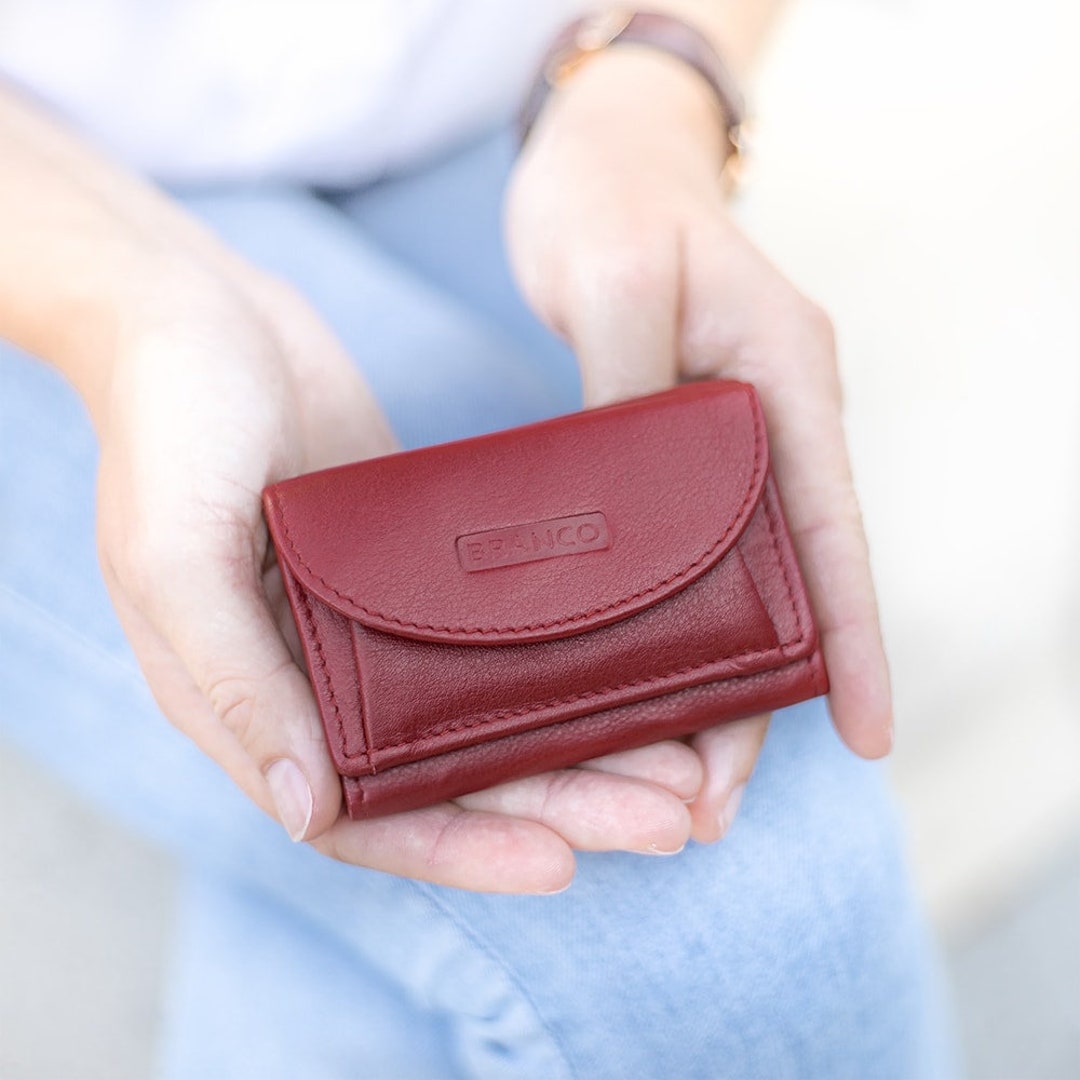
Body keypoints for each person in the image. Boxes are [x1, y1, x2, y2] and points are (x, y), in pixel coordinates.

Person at [0, 1, 956, 1075]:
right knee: (722, 928)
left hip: (519, 113)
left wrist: (664, 69)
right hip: (38, 202)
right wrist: (127, 309)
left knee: (752, 884)